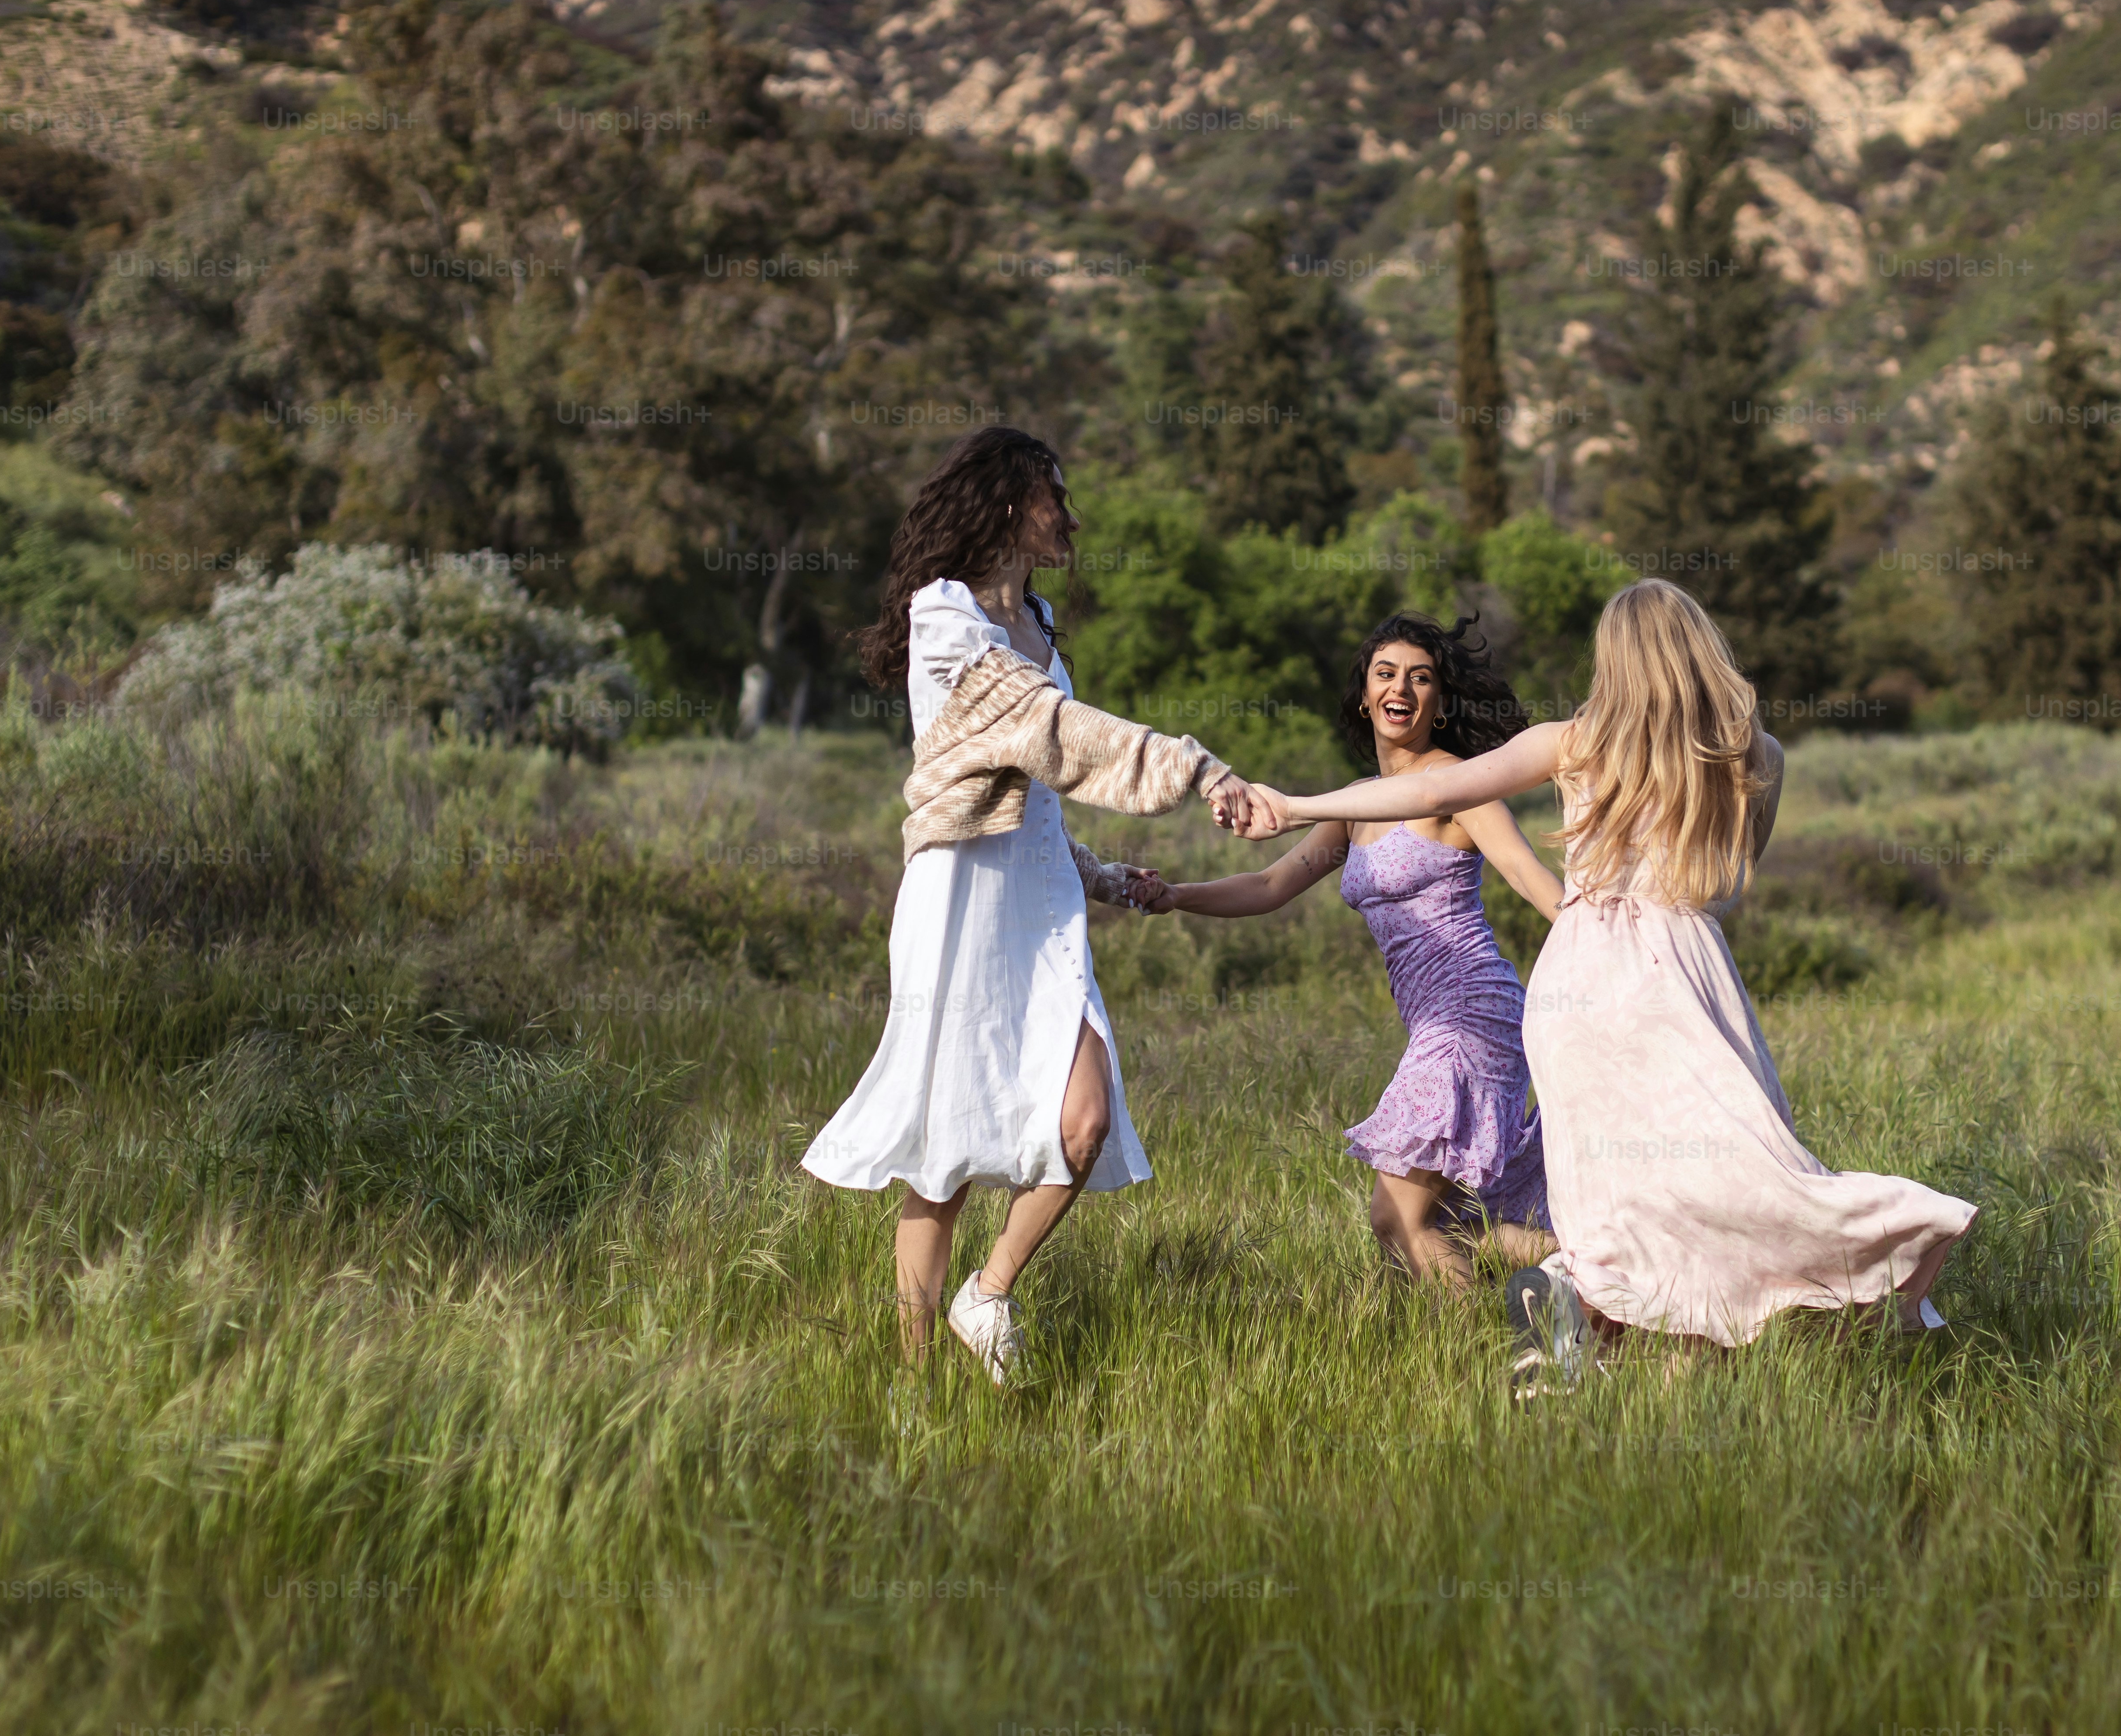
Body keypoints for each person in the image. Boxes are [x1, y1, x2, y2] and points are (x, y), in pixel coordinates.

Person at [1225, 579, 1973, 1390]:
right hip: (1682, 969)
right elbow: (1728, 882)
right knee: (1734, 1169)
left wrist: (1293, 803)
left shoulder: (1575, 742)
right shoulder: (1760, 757)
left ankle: (1575, 1321)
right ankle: (1698, 1313)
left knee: (1608, 1189)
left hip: (1576, 979)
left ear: (1613, 659)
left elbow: (1439, 789)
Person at [802, 427, 1251, 1386]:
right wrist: (1192, 763)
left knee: (1083, 1120)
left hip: (1042, 905)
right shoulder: (946, 616)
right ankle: (916, 1379)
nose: (1072, 517)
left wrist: (1097, 872)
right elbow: (1044, 731)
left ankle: (988, 1290)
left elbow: (1033, 788)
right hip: (960, 898)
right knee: (946, 1150)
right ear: (1008, 503)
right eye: (1056, 497)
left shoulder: (1041, 620)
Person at [1149, 613, 1559, 1283]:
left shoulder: (1455, 779)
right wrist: (1174, 894)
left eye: (1421, 678)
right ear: (1365, 696)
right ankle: (1593, 1269)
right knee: (1455, 1225)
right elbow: (1270, 883)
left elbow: (1521, 869)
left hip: (1472, 1013)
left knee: (1397, 1219)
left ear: (1442, 702)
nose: (1402, 688)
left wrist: (1597, 931)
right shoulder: (1357, 802)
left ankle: (1470, 1363)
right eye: (1386, 674)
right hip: (1431, 1022)